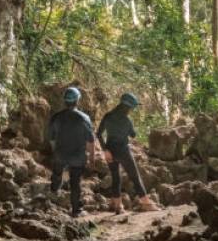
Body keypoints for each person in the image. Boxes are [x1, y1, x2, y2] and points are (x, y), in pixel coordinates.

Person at [97, 92, 159, 214]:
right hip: (123, 151)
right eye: (133, 107)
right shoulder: (127, 120)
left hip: (110, 150)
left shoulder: (108, 116)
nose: (132, 109)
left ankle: (118, 206)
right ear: (129, 107)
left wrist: (105, 150)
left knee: (116, 177)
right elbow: (133, 134)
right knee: (135, 177)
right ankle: (146, 203)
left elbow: (98, 134)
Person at [47, 86, 97, 217]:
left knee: (57, 172)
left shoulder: (56, 117)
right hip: (77, 157)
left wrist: (55, 151)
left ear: (64, 101)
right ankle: (76, 210)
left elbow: (51, 139)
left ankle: (53, 193)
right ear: (77, 101)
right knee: (75, 183)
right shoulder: (84, 118)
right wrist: (92, 159)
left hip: (60, 154)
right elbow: (91, 141)